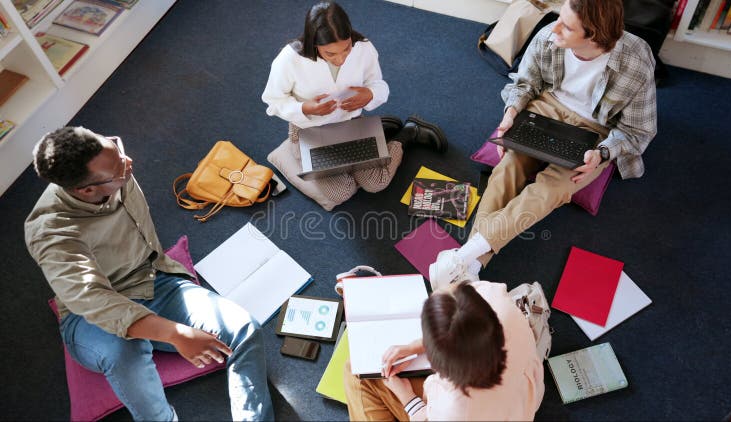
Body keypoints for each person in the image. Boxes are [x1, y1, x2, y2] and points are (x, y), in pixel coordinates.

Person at [24, 127, 274, 421]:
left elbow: (118, 167)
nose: (128, 162)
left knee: (243, 327)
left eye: (118, 149)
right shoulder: (50, 232)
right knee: (123, 351)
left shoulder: (114, 165)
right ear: (86, 190)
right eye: (118, 168)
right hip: (90, 316)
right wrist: (176, 334)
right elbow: (93, 301)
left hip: (154, 279)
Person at [429, 0, 657, 288]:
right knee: (508, 168)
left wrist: (602, 154)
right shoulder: (548, 35)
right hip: (546, 109)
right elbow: (524, 84)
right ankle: (472, 263)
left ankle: (464, 258)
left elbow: (638, 131)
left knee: (553, 189)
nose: (555, 28)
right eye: (559, 18)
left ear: (594, 35)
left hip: (596, 130)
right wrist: (511, 114)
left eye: (567, 26)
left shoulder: (636, 59)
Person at [261, 1, 447, 203]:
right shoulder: (289, 60)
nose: (340, 59)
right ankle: (378, 130)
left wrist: (369, 94)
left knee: (376, 182)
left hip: (351, 125)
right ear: (314, 44)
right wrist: (304, 108)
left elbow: (379, 85)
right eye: (330, 53)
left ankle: (408, 134)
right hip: (309, 133)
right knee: (342, 192)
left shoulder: (363, 47)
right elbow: (273, 100)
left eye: (346, 49)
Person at [343, 280, 544, 421]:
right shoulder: (493, 299)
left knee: (356, 371)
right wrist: (415, 346)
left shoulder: (454, 407)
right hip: (518, 401)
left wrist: (407, 397)